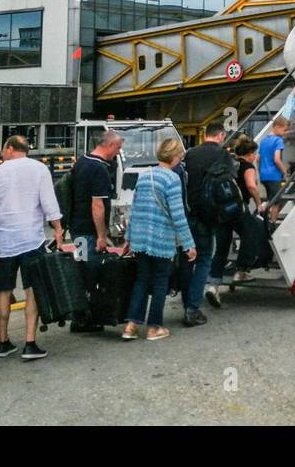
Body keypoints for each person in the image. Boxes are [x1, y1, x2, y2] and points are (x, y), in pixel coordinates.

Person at [0, 135, 64, 359]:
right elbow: (49, 203)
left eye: (2, 149)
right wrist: (57, 229)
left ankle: (4, 342)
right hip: (31, 240)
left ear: (9, 148)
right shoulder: (39, 169)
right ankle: (30, 343)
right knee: (32, 291)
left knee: (4, 291)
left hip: (4, 243)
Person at [123, 139, 196, 341]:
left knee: (141, 280)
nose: (180, 159)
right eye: (180, 156)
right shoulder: (172, 179)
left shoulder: (145, 177)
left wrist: (128, 237)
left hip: (139, 238)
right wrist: (189, 244)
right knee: (160, 282)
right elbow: (178, 215)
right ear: (173, 157)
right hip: (161, 239)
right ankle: (154, 328)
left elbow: (134, 209)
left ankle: (131, 325)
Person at [67, 130, 122, 332]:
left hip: (78, 229)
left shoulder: (82, 162)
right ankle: (87, 317)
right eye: (117, 148)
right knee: (91, 273)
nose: (118, 153)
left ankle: (79, 316)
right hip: (90, 232)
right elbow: (97, 206)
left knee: (81, 270)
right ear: (109, 145)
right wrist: (102, 235)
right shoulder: (99, 169)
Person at [205, 135, 262, 309]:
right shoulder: (247, 166)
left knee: (222, 248)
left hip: (222, 211)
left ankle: (213, 286)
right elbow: (251, 186)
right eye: (254, 153)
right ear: (250, 153)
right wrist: (259, 203)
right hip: (238, 210)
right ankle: (242, 271)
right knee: (253, 231)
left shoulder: (230, 164)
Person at [179, 123, 228, 327]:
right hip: (208, 216)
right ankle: (192, 309)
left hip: (188, 212)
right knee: (204, 259)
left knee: (187, 259)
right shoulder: (222, 154)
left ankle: (186, 302)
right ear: (221, 135)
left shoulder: (190, 154)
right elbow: (227, 186)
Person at [258, 116, 288, 213]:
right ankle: (272, 224)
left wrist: (261, 171)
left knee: (270, 199)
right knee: (276, 202)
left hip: (264, 176)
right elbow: (277, 159)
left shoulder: (263, 141)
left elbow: (258, 158)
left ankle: (266, 219)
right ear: (277, 127)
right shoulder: (278, 140)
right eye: (285, 130)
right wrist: (285, 172)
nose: (285, 133)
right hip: (274, 175)